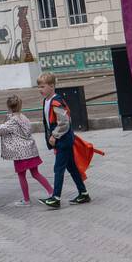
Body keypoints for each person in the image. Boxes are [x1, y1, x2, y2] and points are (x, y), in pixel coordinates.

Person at [0, 95, 51, 206]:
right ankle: (51, 191)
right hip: (31, 150)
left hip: (20, 154)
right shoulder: (24, 117)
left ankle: (26, 200)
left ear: (8, 107)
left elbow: (0, 129)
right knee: (36, 173)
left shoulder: (12, 121)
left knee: (22, 176)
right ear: (20, 106)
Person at [38, 72, 90, 208]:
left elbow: (64, 122)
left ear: (52, 86)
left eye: (43, 87)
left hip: (63, 140)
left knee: (58, 168)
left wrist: (54, 136)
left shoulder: (56, 101)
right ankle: (83, 193)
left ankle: (56, 198)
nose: (40, 89)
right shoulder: (47, 101)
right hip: (62, 139)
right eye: (39, 87)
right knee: (72, 167)